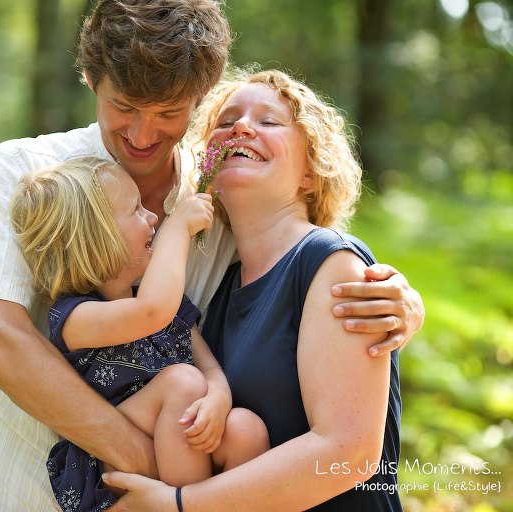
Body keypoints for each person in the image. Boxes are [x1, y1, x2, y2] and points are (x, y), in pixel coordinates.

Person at [0, 1, 424, 510]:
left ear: (199, 98)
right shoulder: (27, 171)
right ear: (89, 77)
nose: (143, 134)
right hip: (15, 493)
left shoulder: (216, 199)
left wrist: (399, 301)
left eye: (169, 113)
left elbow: (306, 248)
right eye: (124, 107)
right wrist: (145, 467)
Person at [102, 67, 406, 511]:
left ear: (310, 171)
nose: (242, 127)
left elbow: (350, 453)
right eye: (226, 122)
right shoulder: (218, 286)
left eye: (269, 121)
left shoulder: (332, 263)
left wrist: (181, 505)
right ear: (208, 166)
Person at [9, 157, 269, 511]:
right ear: (97, 237)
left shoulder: (168, 304)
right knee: (181, 382)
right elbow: (150, 313)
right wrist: (176, 230)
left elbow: (210, 369)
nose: (152, 218)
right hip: (111, 459)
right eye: (135, 210)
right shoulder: (77, 316)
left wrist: (219, 399)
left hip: (182, 435)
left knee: (245, 429)